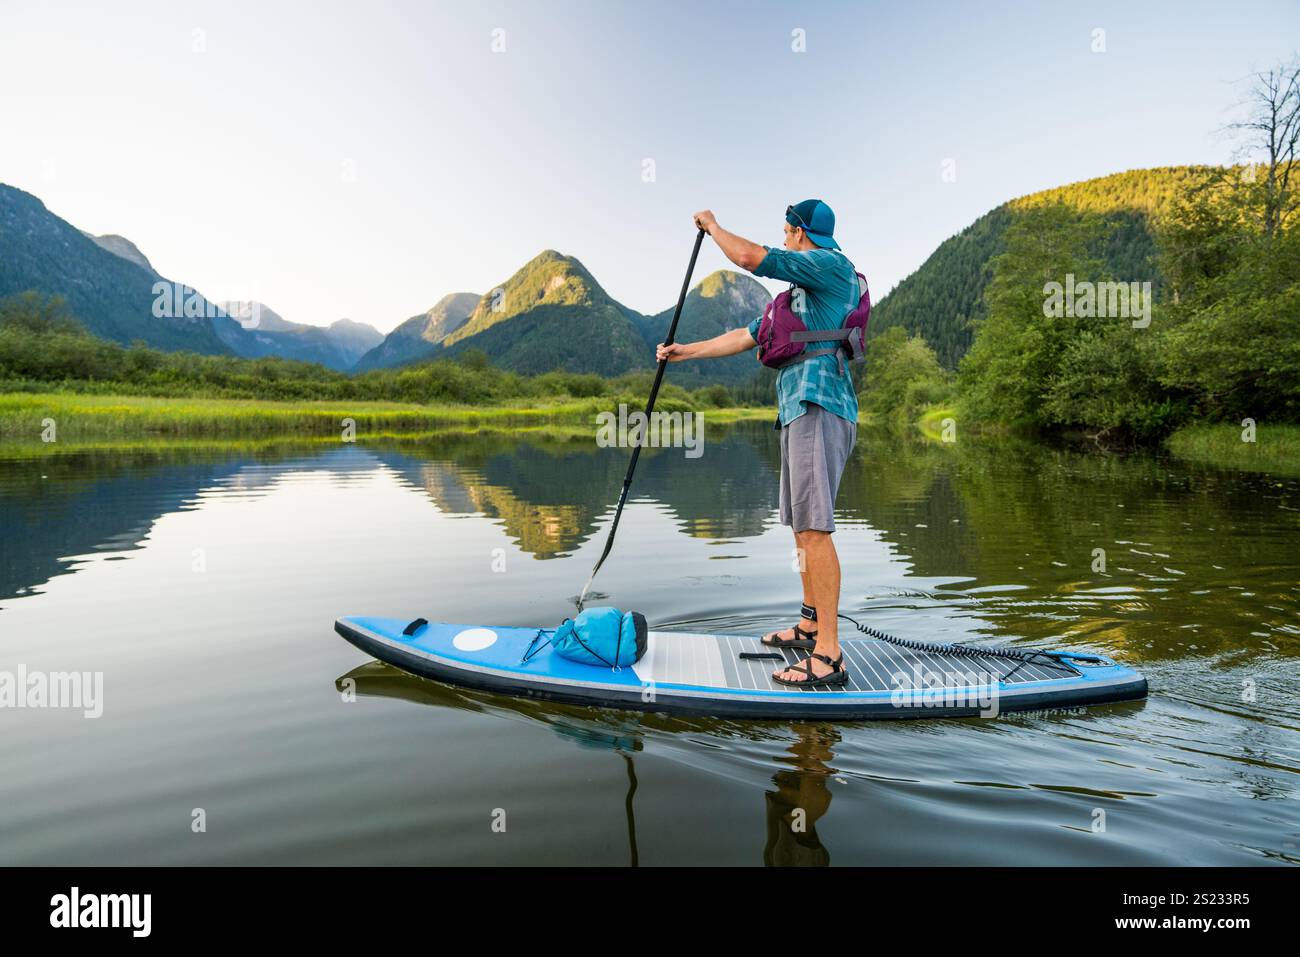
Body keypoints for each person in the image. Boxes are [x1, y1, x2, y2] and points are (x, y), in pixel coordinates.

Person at [656, 200, 860, 688]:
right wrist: (686, 352)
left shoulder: (829, 267)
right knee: (800, 528)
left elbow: (749, 258)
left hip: (819, 404)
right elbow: (746, 337)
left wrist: (713, 226)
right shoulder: (795, 298)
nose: (784, 237)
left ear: (798, 232)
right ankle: (811, 625)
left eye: (787, 231)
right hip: (795, 412)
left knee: (814, 528)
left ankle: (829, 655)